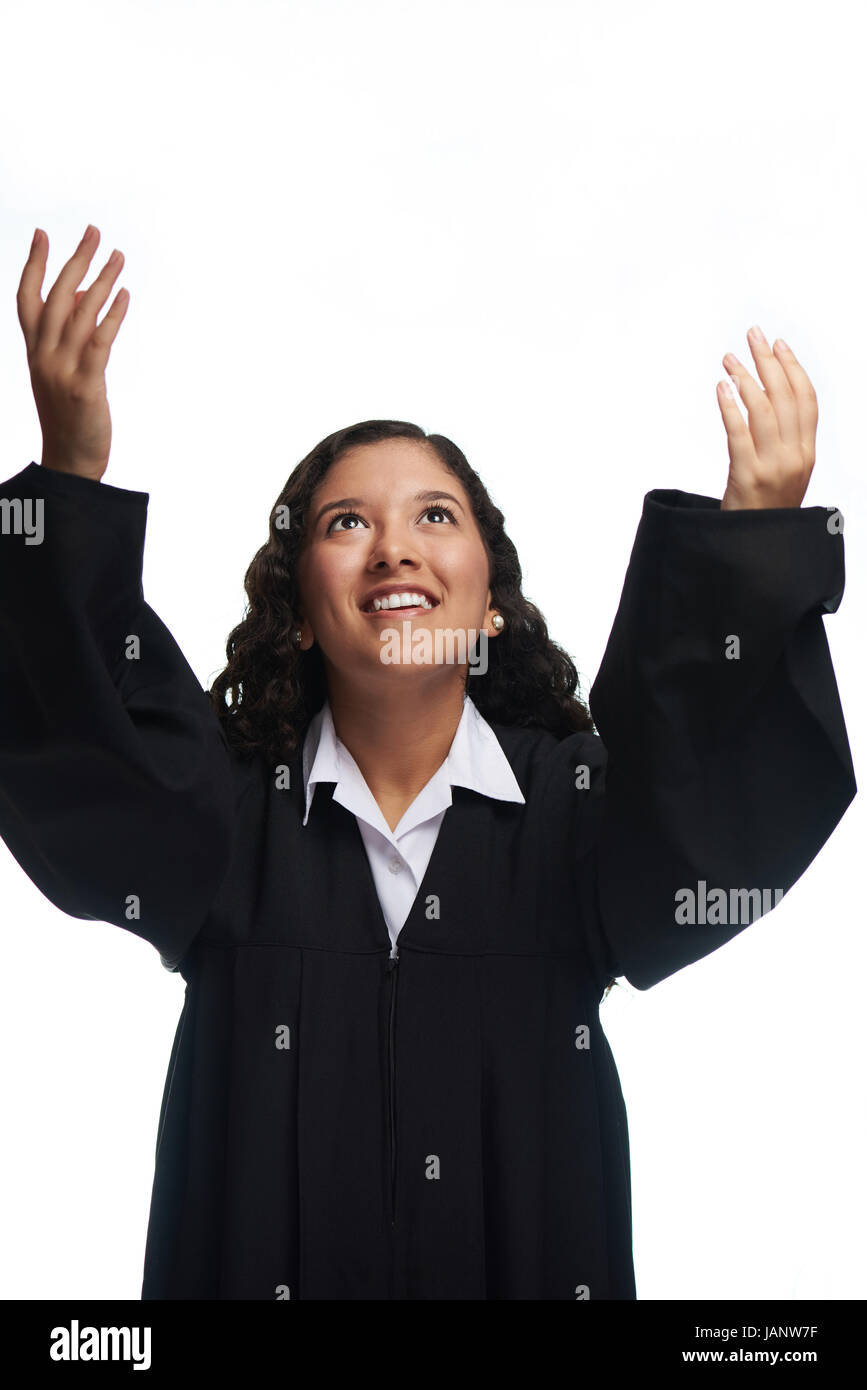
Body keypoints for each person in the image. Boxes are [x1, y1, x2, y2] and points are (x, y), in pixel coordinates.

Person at [0, 224, 855, 1300]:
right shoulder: (221, 821)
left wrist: (755, 548)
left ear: (487, 600)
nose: (394, 548)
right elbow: (75, 749)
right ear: (300, 611)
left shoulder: (579, 820)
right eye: (348, 521)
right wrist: (69, 478)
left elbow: (711, 827)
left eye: (434, 517)